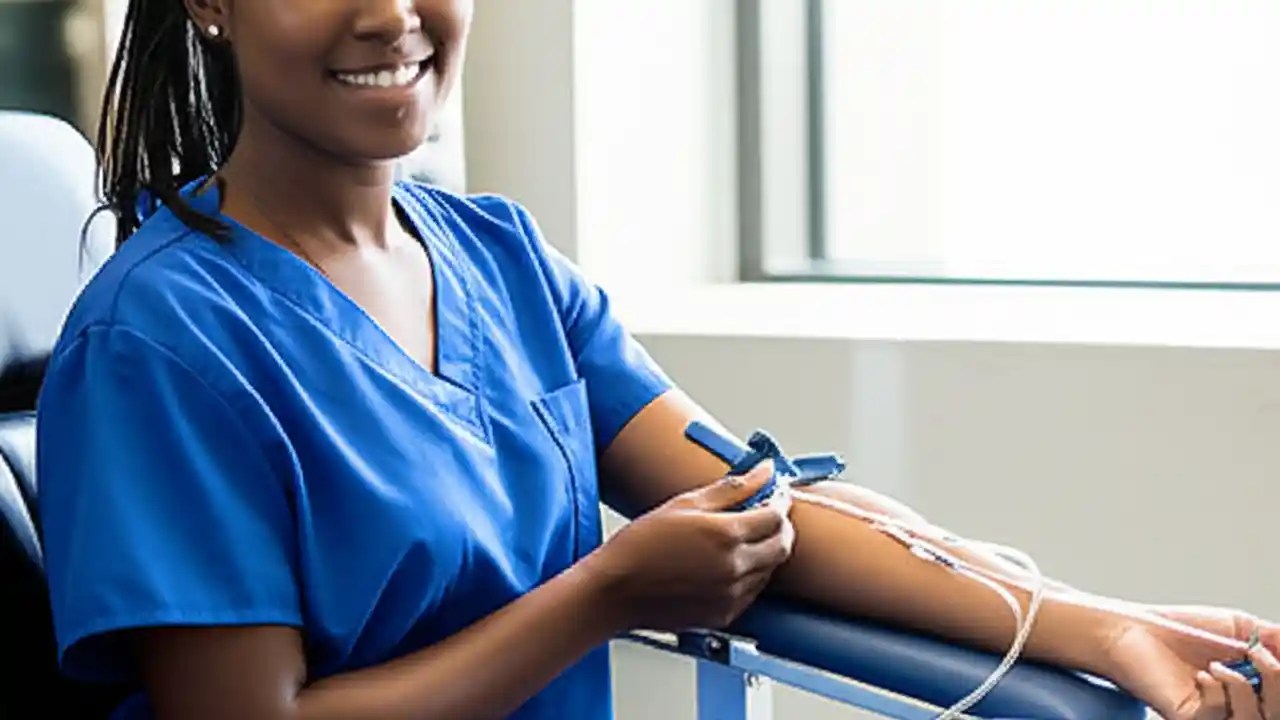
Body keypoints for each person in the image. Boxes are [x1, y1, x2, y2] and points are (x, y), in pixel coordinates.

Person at [31, 1, 1278, 718]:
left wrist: (1104, 629)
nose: (389, 12)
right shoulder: (165, 345)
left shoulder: (498, 258)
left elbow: (755, 504)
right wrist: (608, 593)